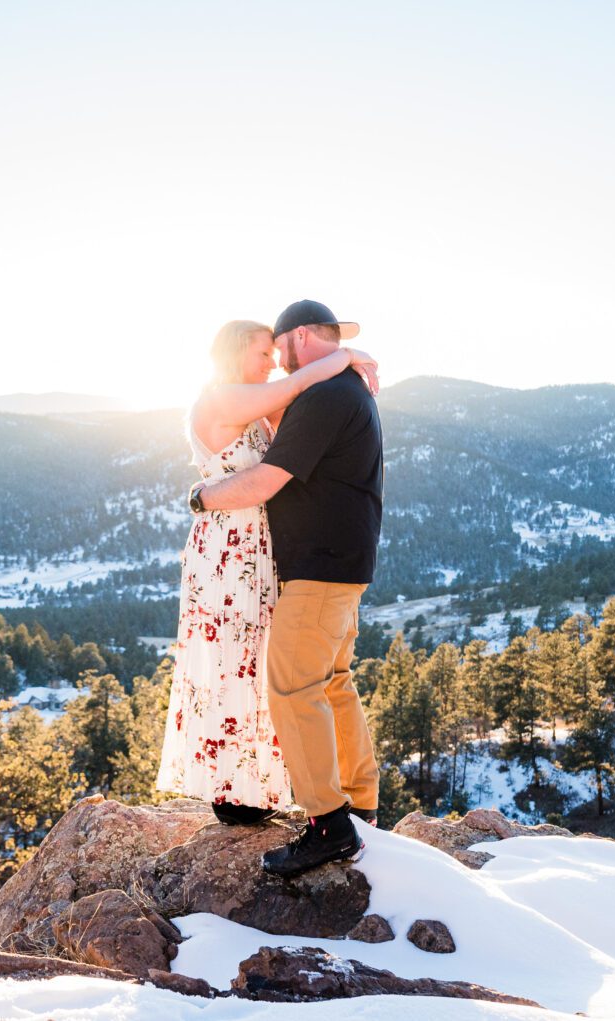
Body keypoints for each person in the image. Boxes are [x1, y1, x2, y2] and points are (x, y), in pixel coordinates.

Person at [188, 299, 384, 877]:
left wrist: (200, 498)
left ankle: (330, 825)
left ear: (298, 337)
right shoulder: (338, 389)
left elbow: (268, 479)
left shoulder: (324, 394)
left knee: (295, 688)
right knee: (330, 681)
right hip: (320, 562)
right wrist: (348, 356)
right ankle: (358, 803)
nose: (275, 362)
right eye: (262, 353)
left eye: (276, 348)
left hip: (316, 565)